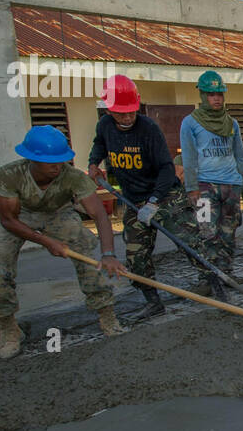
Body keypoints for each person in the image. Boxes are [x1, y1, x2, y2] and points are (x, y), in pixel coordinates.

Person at [0, 125, 126, 358]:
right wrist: (47, 241)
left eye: (61, 160)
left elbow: (99, 214)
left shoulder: (72, 177)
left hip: (59, 213)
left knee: (86, 253)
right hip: (18, 218)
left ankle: (107, 314)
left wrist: (109, 254)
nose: (57, 166)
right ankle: (8, 327)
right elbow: (8, 220)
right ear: (31, 159)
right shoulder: (9, 175)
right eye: (50, 162)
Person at [87, 74, 210, 317]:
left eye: (131, 111)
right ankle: (153, 301)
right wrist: (93, 163)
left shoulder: (148, 128)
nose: (127, 117)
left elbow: (166, 167)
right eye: (121, 113)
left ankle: (214, 282)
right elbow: (99, 144)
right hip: (132, 199)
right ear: (109, 109)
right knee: (136, 255)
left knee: (189, 241)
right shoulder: (104, 126)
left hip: (164, 194)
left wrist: (154, 201)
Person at [179, 70, 243, 297]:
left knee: (228, 232)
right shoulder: (190, 123)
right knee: (206, 232)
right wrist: (191, 188)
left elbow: (240, 155)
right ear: (203, 95)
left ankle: (227, 273)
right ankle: (207, 278)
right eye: (211, 94)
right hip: (204, 187)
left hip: (231, 185)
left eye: (219, 94)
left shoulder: (231, 123)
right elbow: (189, 158)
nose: (216, 99)